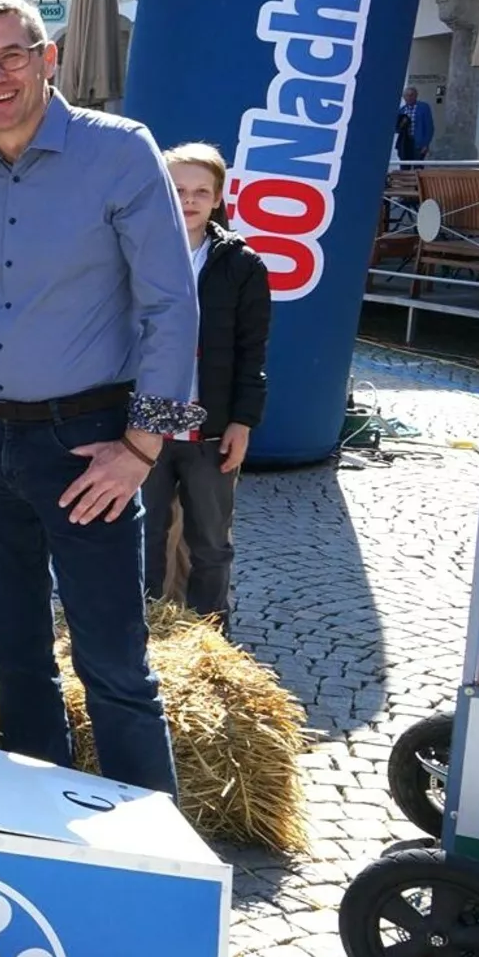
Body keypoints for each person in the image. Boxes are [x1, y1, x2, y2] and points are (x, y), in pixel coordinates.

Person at [0, 0, 201, 796]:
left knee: (112, 663)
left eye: (12, 55)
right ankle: (41, 832)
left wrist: (141, 448)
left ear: (48, 59)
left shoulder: (120, 151)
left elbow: (171, 303)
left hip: (88, 442)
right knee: (14, 657)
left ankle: (151, 848)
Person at [143, 143, 270, 622]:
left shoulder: (242, 265)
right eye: (177, 190)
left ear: (218, 198)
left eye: (200, 191)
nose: (188, 201)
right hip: (146, 428)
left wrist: (242, 421)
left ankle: (209, 633)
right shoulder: (137, 254)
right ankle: (141, 630)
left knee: (211, 541)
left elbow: (251, 352)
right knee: (144, 535)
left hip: (211, 430)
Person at [401, 86, 435, 161]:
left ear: (416, 96)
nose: (409, 97)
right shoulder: (402, 110)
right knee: (404, 167)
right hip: (405, 146)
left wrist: (426, 144)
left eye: (411, 95)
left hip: (419, 145)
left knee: (418, 166)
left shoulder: (424, 107)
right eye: (406, 95)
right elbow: (397, 129)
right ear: (404, 97)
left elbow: (429, 127)